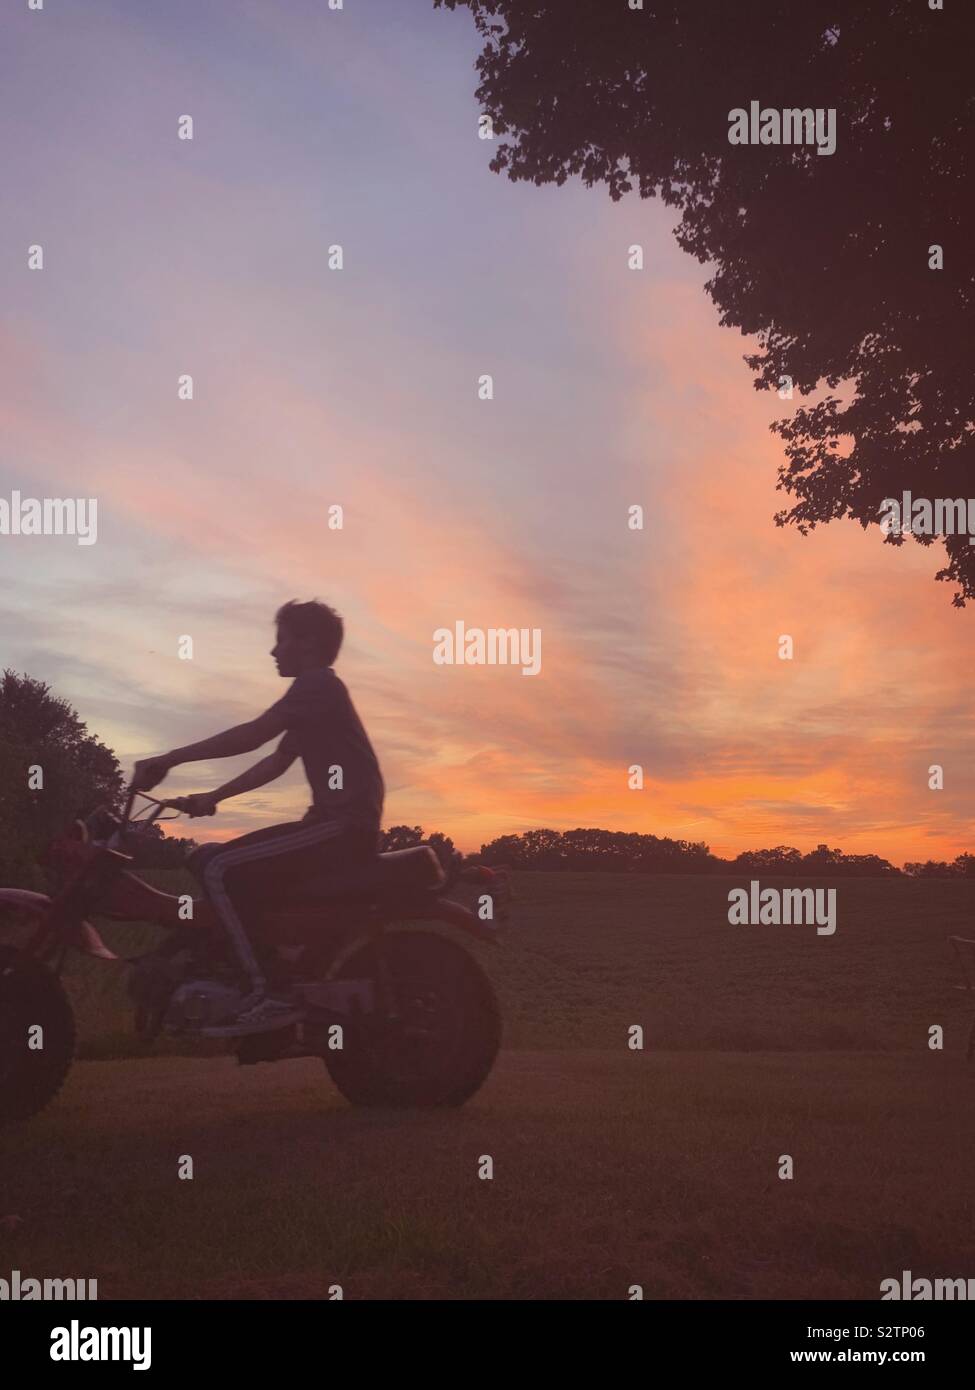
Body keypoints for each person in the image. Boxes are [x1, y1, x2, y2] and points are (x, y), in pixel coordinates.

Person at [131, 599, 385, 1036]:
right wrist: (213, 797)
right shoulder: (315, 696)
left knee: (217, 867)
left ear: (305, 644)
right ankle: (262, 964)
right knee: (208, 856)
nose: (273, 652)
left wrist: (170, 759)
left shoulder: (318, 685)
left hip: (342, 828)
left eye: (280, 640)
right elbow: (275, 763)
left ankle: (270, 992)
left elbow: (253, 735)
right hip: (330, 826)